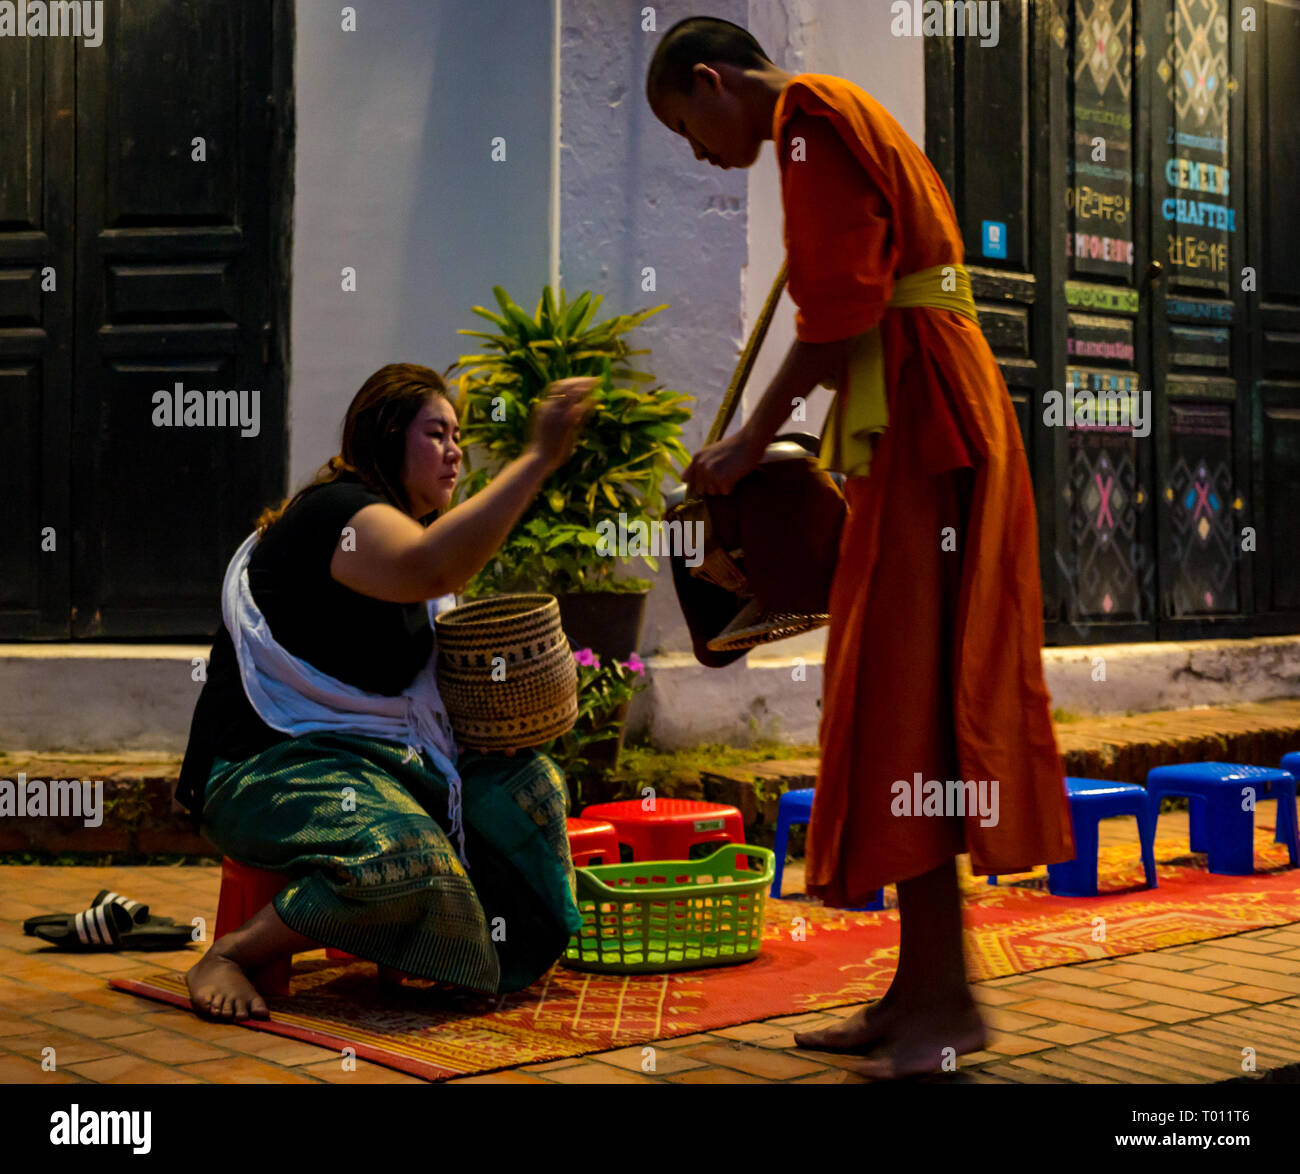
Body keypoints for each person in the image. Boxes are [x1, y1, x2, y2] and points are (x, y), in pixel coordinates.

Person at [647, 17, 1074, 1078]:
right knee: (895, 698)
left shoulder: (808, 119)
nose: (698, 152)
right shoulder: (830, 116)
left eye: (685, 124)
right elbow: (853, 299)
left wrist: (748, 443)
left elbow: (841, 312)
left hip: (931, 422)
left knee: (916, 699)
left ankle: (948, 1003)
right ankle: (922, 988)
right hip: (920, 416)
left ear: (713, 80)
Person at [176, 362, 596, 1021]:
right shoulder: (336, 513)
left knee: (527, 787)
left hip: (374, 763)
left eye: (458, 434)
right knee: (399, 855)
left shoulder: (405, 535)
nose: (455, 450)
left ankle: (475, 955)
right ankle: (230, 952)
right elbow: (429, 565)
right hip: (263, 767)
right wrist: (539, 457)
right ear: (388, 434)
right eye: (437, 433)